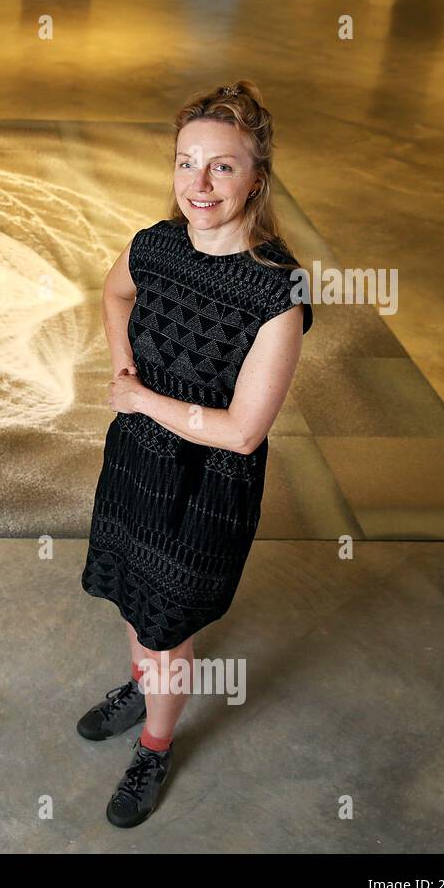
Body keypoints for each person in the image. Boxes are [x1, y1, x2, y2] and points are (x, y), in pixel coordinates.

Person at [78, 80, 313, 828]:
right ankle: (145, 681)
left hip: (205, 482)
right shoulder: (153, 245)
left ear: (257, 178)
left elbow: (243, 430)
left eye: (222, 167)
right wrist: (123, 367)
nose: (199, 185)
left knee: (168, 628)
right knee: (133, 600)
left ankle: (155, 740)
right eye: (187, 163)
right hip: (136, 461)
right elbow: (115, 296)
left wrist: (141, 398)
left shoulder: (279, 292)